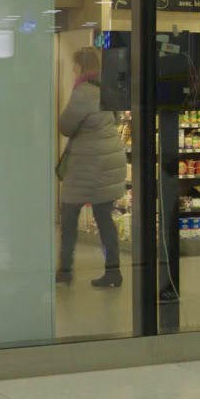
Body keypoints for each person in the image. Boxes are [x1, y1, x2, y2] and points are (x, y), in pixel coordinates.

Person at [57, 47, 125, 288]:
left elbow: (65, 125)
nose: (73, 69)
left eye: (75, 65)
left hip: (89, 165)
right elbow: (114, 121)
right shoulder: (107, 88)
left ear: (81, 66)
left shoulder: (83, 92)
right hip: (109, 161)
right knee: (105, 219)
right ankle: (113, 271)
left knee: (68, 217)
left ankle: (64, 270)